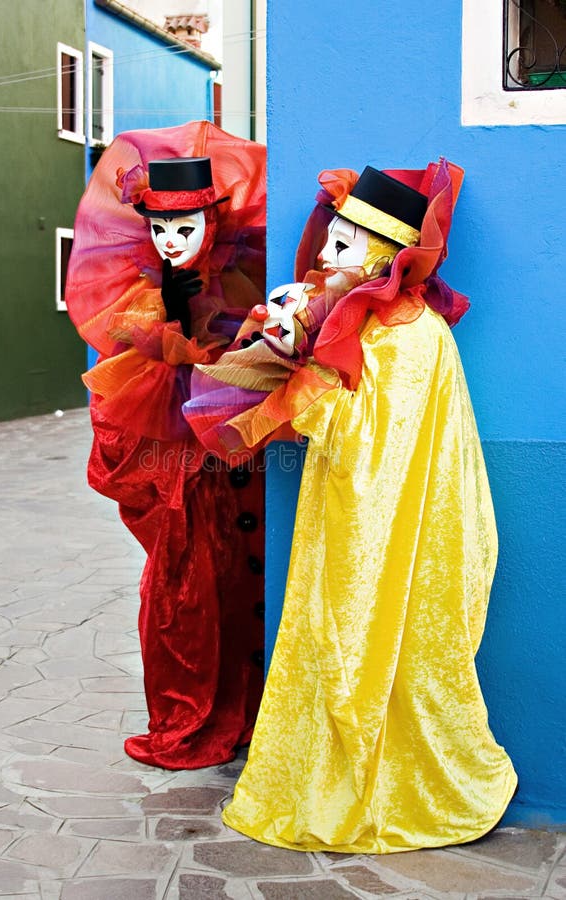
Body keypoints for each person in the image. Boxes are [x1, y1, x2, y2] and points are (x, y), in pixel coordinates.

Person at [184, 160, 518, 850]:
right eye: (330, 238)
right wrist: (284, 348)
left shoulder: (410, 335)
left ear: (384, 258)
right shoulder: (364, 322)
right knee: (328, 636)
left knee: (366, 643)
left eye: (343, 245)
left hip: (386, 534)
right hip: (343, 515)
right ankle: (315, 776)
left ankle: (387, 785)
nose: (324, 256)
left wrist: (294, 372)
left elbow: (374, 439)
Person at [66, 122, 267, 769]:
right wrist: (169, 328)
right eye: (159, 231)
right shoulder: (137, 301)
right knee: (184, 590)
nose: (171, 243)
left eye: (185, 230)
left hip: (238, 472)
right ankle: (189, 710)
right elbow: (126, 403)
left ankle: (250, 707)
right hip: (179, 476)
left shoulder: (242, 287)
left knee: (245, 590)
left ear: (213, 225)